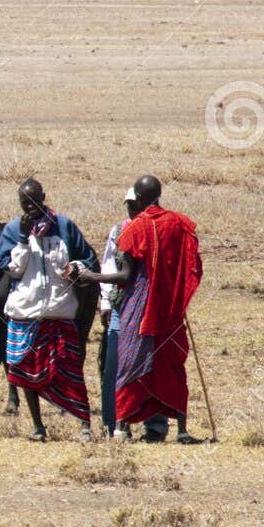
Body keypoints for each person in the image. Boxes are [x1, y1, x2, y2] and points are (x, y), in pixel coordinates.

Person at [72, 175, 204, 444]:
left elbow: (124, 276)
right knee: (171, 366)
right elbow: (193, 265)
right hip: (170, 309)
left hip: (140, 309)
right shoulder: (180, 224)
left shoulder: (133, 229)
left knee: (130, 363)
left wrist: (90, 277)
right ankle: (181, 429)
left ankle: (120, 427)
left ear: (140, 199)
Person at [0, 178, 97, 441]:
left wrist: (74, 267)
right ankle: (38, 426)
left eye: (34, 201)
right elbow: (10, 269)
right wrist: (22, 237)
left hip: (59, 311)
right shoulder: (11, 230)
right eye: (24, 203)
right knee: (26, 372)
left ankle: (84, 425)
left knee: (70, 370)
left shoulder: (64, 226)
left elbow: (87, 258)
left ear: (43, 196)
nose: (30, 207)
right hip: (24, 313)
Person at [96, 188, 169, 440]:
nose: (132, 210)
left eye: (135, 205)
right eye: (129, 205)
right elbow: (109, 264)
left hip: (154, 310)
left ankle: (155, 426)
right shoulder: (119, 231)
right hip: (121, 307)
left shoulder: (162, 230)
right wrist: (105, 302)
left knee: (151, 366)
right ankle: (115, 423)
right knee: (116, 366)